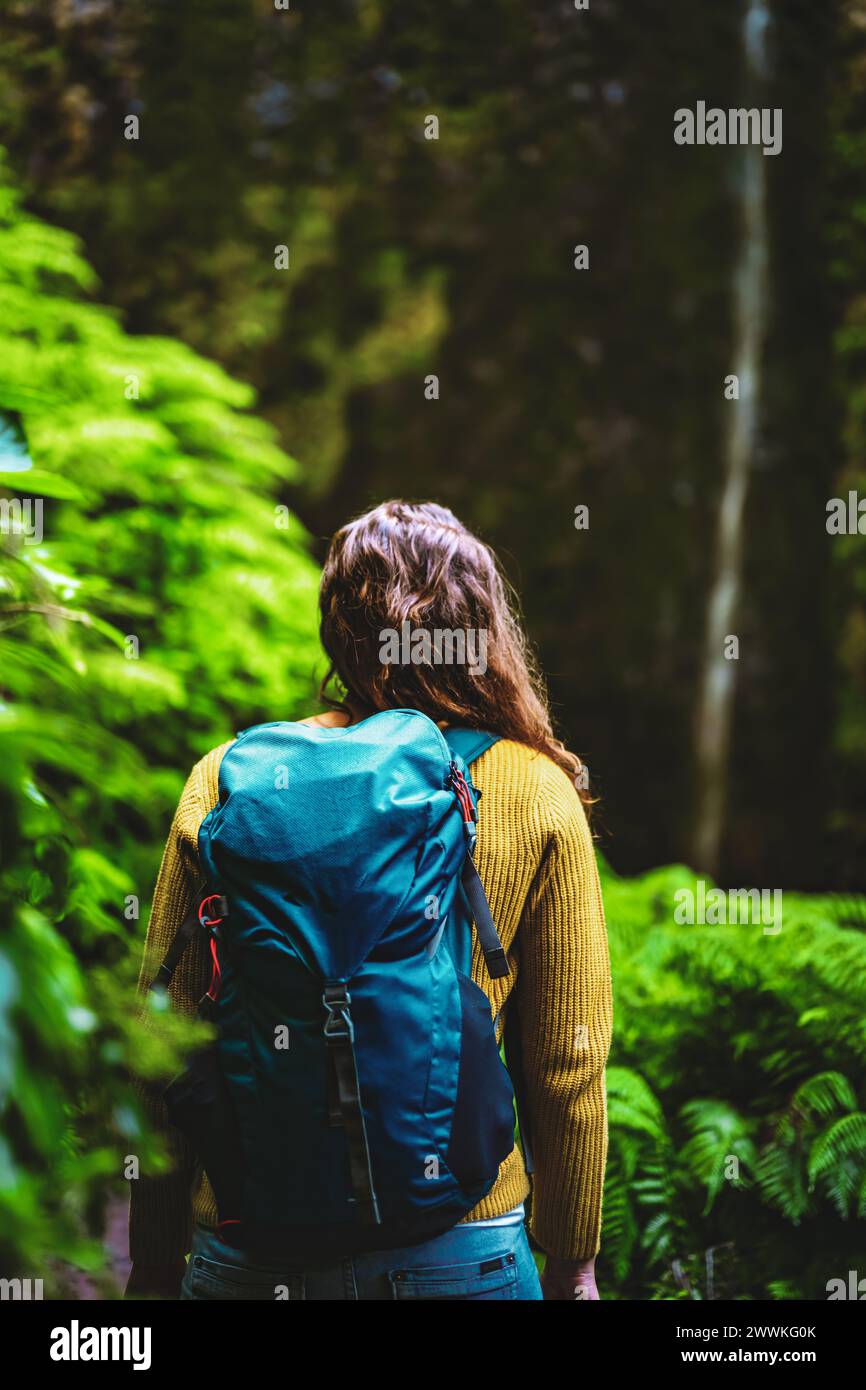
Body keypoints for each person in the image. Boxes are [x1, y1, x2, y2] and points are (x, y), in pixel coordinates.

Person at [127, 499, 613, 1301]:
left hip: (252, 1254)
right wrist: (573, 1259)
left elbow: (161, 1041)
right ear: (483, 629)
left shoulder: (229, 779)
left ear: (338, 629)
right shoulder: (533, 788)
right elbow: (568, 1062)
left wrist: (152, 1258)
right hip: (465, 1253)